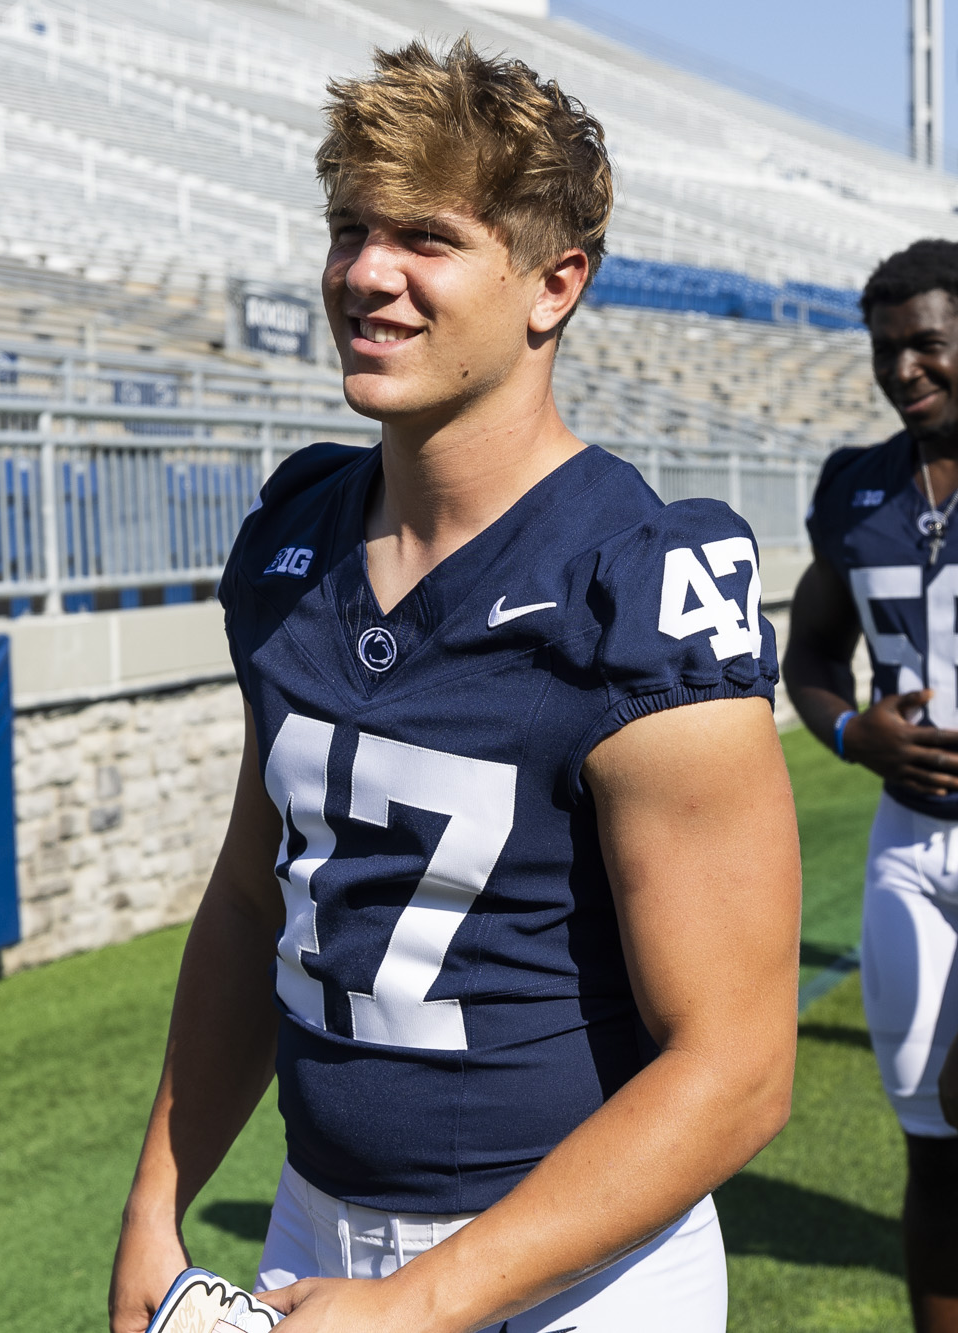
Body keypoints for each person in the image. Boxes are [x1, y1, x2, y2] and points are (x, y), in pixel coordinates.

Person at [109, 39, 801, 1333]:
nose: (366, 272)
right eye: (349, 228)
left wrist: (419, 1301)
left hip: (576, 1274)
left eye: (426, 237)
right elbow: (257, 897)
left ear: (554, 284)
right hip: (313, 1228)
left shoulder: (633, 581)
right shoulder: (295, 533)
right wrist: (158, 1201)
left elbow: (737, 1067)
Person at [784, 238, 958, 1333]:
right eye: (886, 349)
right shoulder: (858, 488)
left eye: (926, 343)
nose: (902, 369)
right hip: (907, 841)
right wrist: (853, 732)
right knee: (930, 1140)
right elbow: (807, 653)